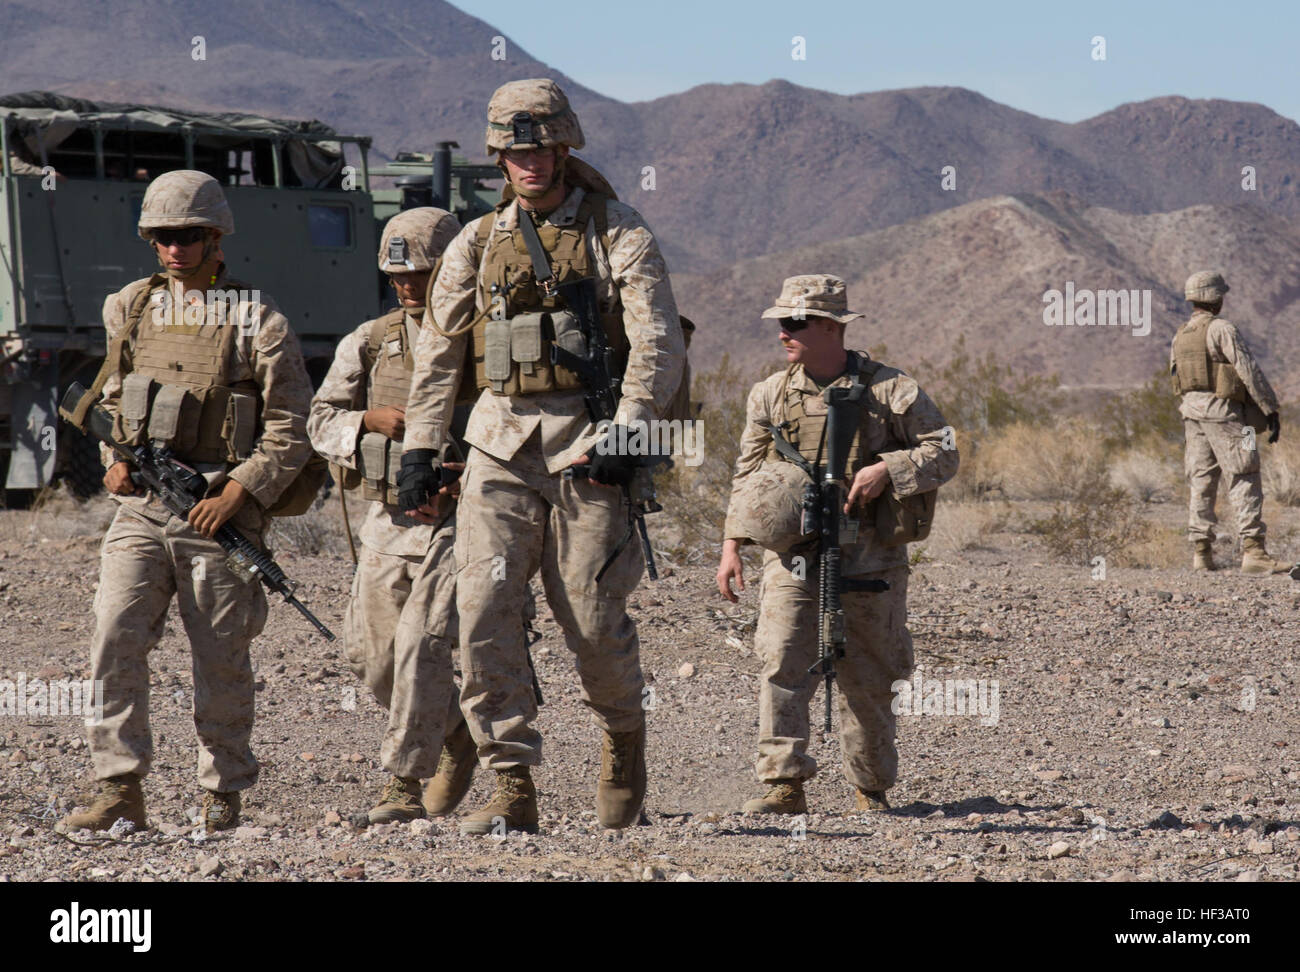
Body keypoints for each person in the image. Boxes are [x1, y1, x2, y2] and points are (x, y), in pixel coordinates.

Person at [399, 79, 686, 834]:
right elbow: (437, 352)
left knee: (590, 617)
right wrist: (421, 450)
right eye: (513, 150)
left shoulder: (616, 230)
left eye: (540, 147)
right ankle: (510, 782)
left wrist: (631, 429)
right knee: (482, 610)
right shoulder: (476, 240)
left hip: (589, 444)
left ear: (565, 147)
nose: (528, 161)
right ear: (499, 155)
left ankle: (624, 738)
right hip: (498, 443)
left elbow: (659, 338)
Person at [59, 170, 314, 833]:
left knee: (221, 656)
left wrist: (237, 492)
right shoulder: (130, 307)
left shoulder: (259, 322)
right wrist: (115, 462)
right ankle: (119, 789)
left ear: (216, 237)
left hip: (218, 510)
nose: (176, 250)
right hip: (144, 507)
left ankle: (223, 791)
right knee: (113, 636)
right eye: (165, 237)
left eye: (190, 237)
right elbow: (114, 398)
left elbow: (292, 431)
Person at [717, 274, 958, 814]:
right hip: (794, 552)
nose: (784, 333)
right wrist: (733, 543)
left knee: (870, 675)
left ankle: (870, 788)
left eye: (795, 323)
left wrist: (887, 470)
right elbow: (748, 472)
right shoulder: (770, 394)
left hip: (872, 551)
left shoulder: (892, 390)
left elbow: (945, 453)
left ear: (831, 326)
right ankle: (783, 785)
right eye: (780, 323)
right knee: (781, 659)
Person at [308, 207, 477, 824]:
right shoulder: (371, 340)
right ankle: (456, 731)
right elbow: (319, 422)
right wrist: (367, 421)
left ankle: (404, 784)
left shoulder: (484, 338)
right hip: (388, 522)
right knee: (372, 659)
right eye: (396, 276)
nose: (408, 286)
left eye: (422, 274)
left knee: (420, 648)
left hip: (462, 522)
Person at [1171, 270, 1287, 574]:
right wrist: (1270, 409)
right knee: (1246, 472)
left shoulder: (1181, 334)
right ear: (1216, 298)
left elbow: (1176, 378)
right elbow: (1247, 369)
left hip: (1192, 416)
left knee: (1201, 479)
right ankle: (1254, 552)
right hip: (1231, 419)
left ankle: (1201, 553)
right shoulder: (1222, 329)